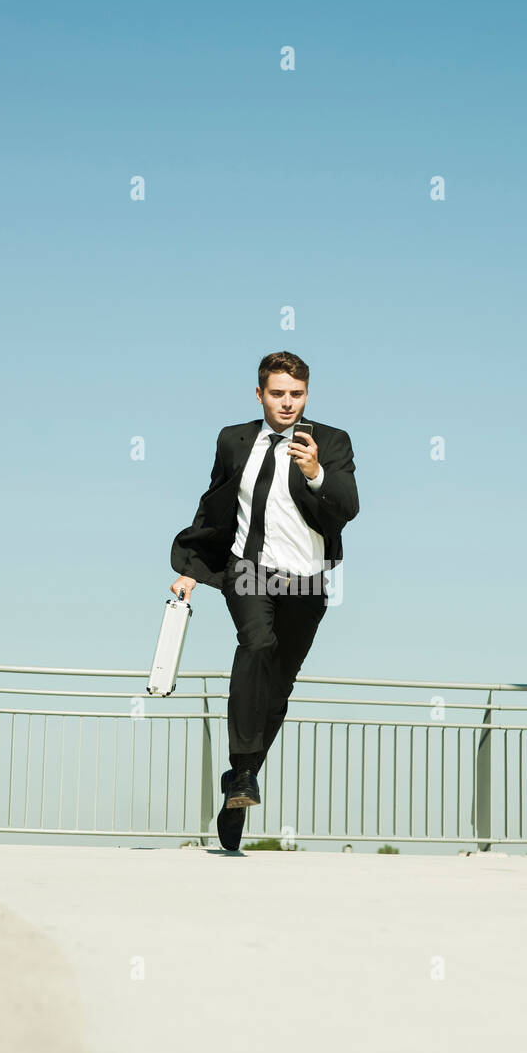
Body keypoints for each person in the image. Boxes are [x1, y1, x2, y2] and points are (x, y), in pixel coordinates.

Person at [170, 351, 359, 852]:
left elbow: (349, 507)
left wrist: (318, 471)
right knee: (255, 645)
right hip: (249, 568)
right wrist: (192, 572)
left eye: (296, 394)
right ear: (260, 395)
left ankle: (240, 780)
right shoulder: (234, 440)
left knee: (276, 688)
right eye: (277, 393)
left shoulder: (331, 441)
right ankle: (243, 772)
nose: (287, 403)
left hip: (308, 582)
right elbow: (214, 506)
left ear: (307, 395)